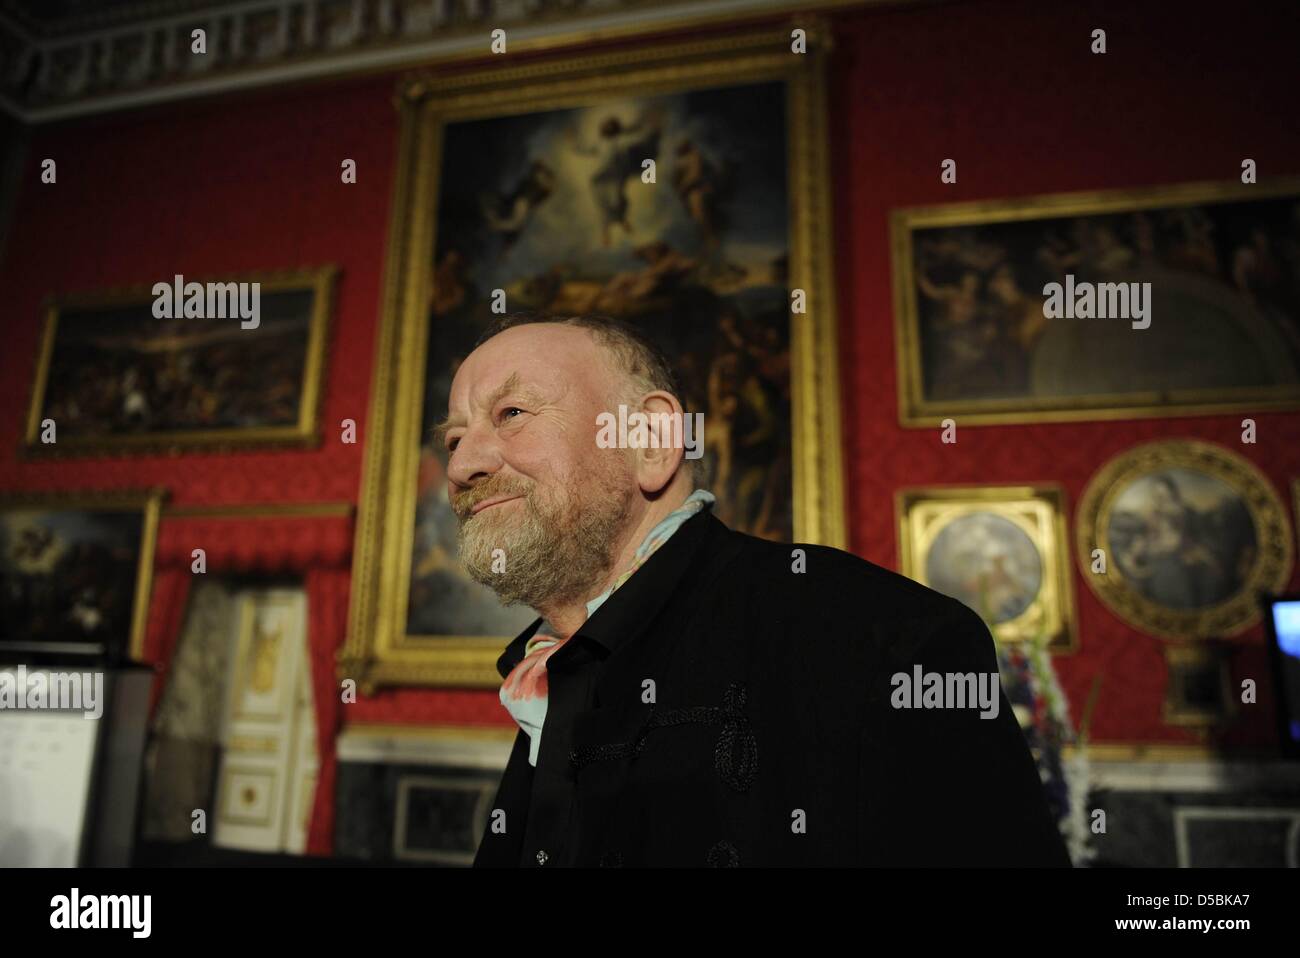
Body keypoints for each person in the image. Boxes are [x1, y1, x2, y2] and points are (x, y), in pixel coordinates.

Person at [434, 310, 1071, 867]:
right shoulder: (550, 666)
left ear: (651, 440)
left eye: (512, 414)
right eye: (455, 438)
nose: (461, 465)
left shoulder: (887, 643)